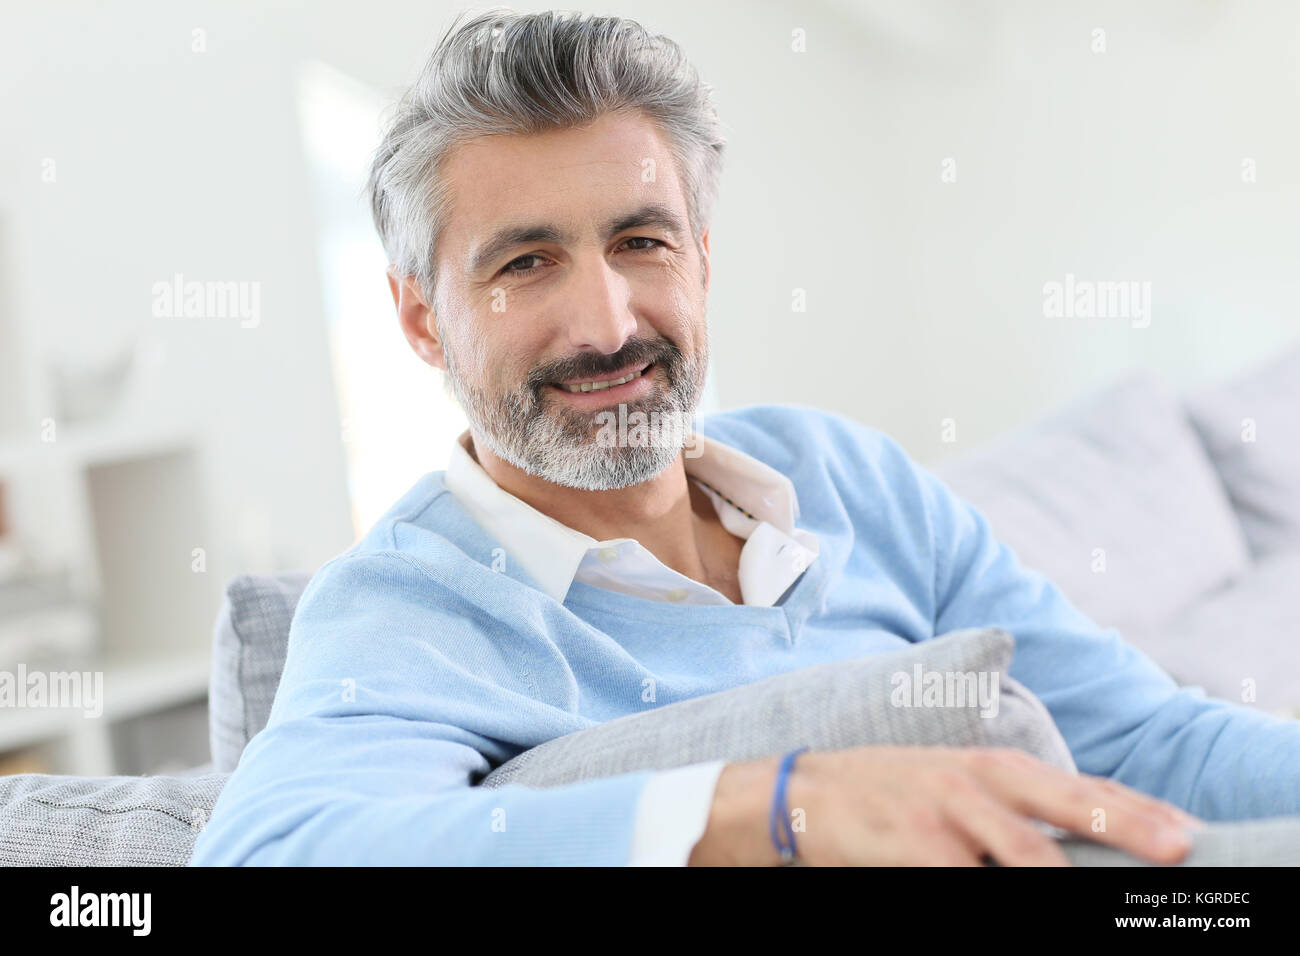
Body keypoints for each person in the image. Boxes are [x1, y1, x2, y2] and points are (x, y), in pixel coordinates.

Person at [190, 8, 1300, 867]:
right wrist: (770, 805)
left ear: (703, 261)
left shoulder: (843, 473)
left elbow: (1156, 742)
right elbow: (266, 855)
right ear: (421, 317)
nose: (608, 323)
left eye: (640, 240)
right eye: (525, 262)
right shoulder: (410, 607)